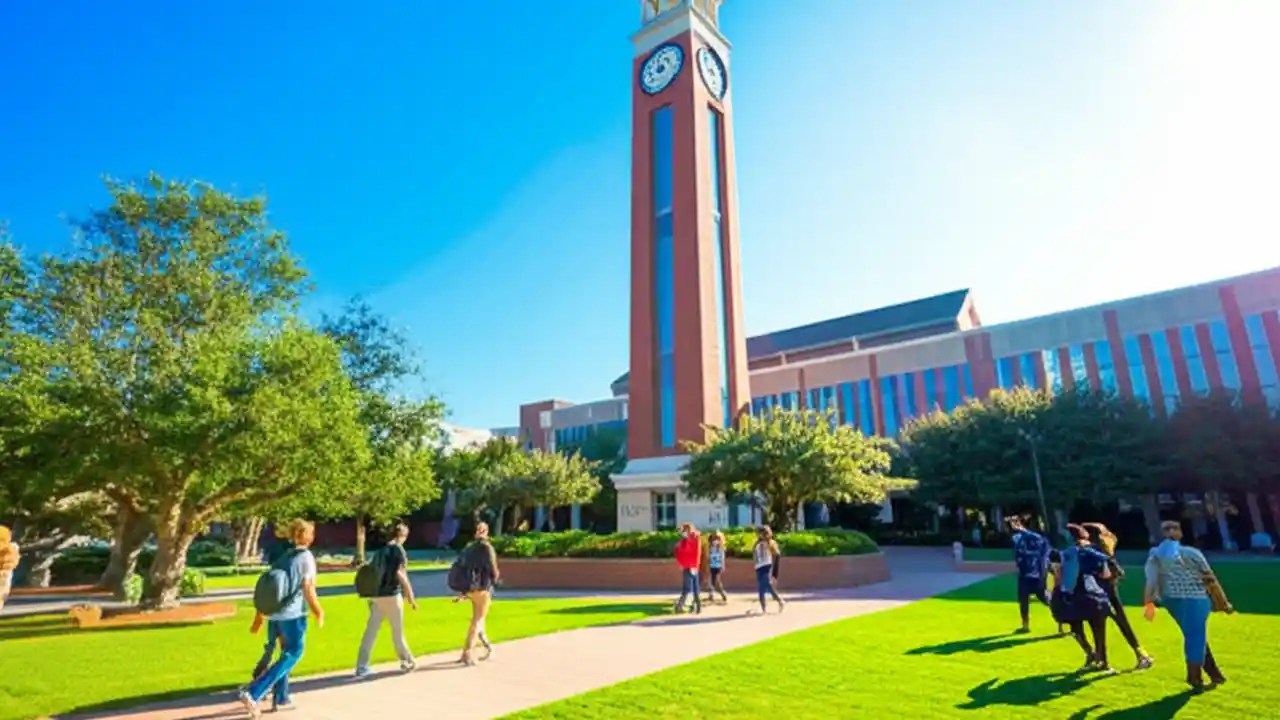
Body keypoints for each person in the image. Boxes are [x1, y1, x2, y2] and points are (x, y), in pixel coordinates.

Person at [240, 520, 324, 719]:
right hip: (293, 616)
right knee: (294, 653)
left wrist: (259, 617)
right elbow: (308, 587)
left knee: (284, 655)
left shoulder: (283, 556)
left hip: (274, 615)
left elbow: (268, 590)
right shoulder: (306, 558)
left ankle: (282, 697)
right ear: (306, 536)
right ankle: (254, 692)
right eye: (311, 532)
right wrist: (319, 611)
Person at [1143, 520, 1229, 690]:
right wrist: (1223, 603)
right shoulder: (1191, 553)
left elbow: (1151, 581)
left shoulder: (1154, 555)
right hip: (1195, 598)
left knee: (1194, 635)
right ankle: (1194, 677)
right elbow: (1210, 580)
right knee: (1196, 636)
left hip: (1171, 600)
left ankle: (1215, 674)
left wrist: (1148, 603)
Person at [1083, 522, 1153, 670]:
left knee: (1098, 627)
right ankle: (1140, 654)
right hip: (1111, 590)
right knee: (1123, 624)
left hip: (1099, 593)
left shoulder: (1091, 551)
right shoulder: (1106, 547)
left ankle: (1102, 660)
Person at [355, 522, 418, 679]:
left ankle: (361, 665)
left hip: (376, 595)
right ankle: (407, 660)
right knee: (397, 631)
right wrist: (410, 595)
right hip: (392, 594)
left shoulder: (380, 552)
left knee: (371, 631)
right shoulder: (399, 551)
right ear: (403, 536)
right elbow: (400, 573)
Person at [1050, 524, 1114, 673]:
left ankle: (1089, 653)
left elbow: (1057, 577)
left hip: (1070, 596)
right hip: (1093, 596)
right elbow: (1106, 574)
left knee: (1076, 629)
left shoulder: (1060, 554)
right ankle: (1102, 660)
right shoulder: (1093, 553)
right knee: (1098, 630)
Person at [458, 522, 500, 666]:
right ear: (486, 532)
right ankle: (468, 653)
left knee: (477, 619)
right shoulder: (487, 548)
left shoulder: (469, 548)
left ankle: (481, 648)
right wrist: (496, 580)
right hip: (483, 587)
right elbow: (493, 568)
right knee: (478, 621)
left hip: (471, 588)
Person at [1008, 515, 1056, 635]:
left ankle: (1062, 616)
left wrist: (1021, 529)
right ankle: (1025, 625)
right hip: (1031, 572)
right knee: (1028, 599)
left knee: (1040, 598)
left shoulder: (1036, 539)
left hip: (1034, 573)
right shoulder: (1027, 538)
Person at [752, 526, 785, 615]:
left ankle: (773, 604)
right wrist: (755, 564)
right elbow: (754, 554)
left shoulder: (770, 543)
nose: (758, 535)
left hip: (766, 565)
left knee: (764, 586)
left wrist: (775, 572)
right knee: (765, 588)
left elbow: (777, 554)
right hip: (759, 567)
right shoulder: (757, 543)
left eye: (760, 533)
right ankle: (775, 604)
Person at [673, 523, 702, 614]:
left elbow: (683, 550)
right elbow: (697, 552)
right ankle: (697, 608)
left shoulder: (687, 540)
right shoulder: (696, 538)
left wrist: (681, 541)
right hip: (694, 566)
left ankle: (680, 606)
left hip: (688, 566)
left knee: (687, 588)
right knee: (695, 588)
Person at [704, 530, 728, 605]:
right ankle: (712, 593)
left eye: (717, 539)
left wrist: (722, 566)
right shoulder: (710, 548)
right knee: (712, 580)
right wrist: (707, 566)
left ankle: (720, 593)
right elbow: (708, 558)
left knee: (717, 580)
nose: (715, 541)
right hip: (712, 566)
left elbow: (722, 558)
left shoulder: (720, 549)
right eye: (713, 540)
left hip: (718, 566)